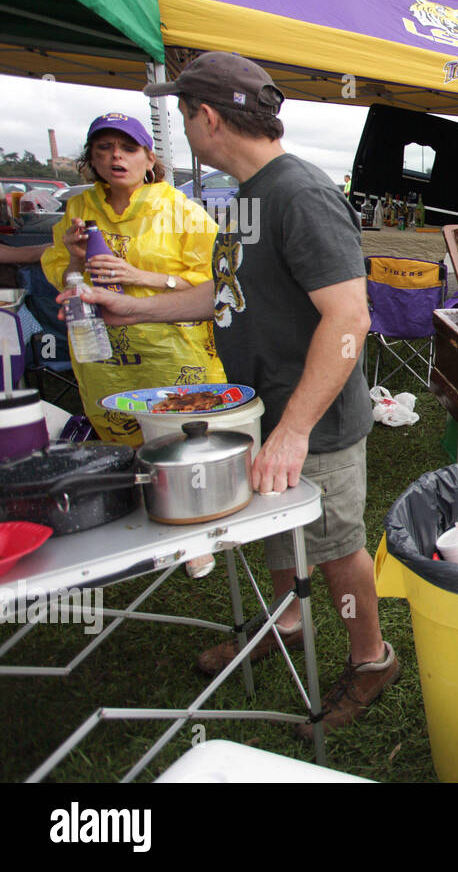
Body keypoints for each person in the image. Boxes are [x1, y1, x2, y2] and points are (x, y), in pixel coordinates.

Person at [72, 52, 398, 738]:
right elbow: (225, 293)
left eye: (185, 114)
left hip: (314, 418)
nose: (183, 128)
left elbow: (349, 319)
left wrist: (294, 430)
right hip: (261, 406)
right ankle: (288, 618)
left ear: (208, 118)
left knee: (336, 546)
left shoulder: (300, 194)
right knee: (281, 524)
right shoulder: (246, 195)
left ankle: (371, 660)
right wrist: (133, 310)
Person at [41, 113, 225, 444]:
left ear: (149, 158)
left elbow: (217, 282)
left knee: (183, 444)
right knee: (126, 455)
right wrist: (74, 257)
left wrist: (142, 276)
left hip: (173, 352)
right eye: (104, 148)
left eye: (128, 148)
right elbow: (66, 282)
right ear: (91, 158)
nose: (116, 157)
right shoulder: (79, 209)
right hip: (104, 354)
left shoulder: (180, 209)